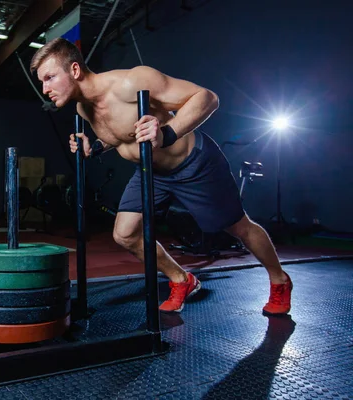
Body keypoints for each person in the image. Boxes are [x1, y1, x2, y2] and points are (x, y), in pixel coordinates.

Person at [30, 37, 293, 314]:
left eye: (49, 78)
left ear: (74, 70)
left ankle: (279, 280)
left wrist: (166, 132)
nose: (45, 89)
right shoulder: (83, 108)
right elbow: (120, 135)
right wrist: (93, 147)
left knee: (238, 228)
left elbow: (207, 98)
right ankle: (182, 279)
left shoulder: (132, 82)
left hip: (194, 164)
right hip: (151, 172)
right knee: (125, 234)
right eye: (42, 82)